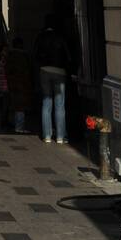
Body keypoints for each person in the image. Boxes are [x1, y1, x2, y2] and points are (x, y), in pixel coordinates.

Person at [33, 14, 72, 144]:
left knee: (46, 103)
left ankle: (47, 135)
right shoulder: (60, 37)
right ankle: (61, 136)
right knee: (60, 105)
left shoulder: (40, 37)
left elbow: (35, 54)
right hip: (60, 71)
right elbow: (68, 56)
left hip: (44, 71)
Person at [5, 35, 34, 134]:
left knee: (16, 105)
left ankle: (17, 125)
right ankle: (19, 126)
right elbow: (28, 71)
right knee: (21, 107)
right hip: (22, 84)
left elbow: (7, 70)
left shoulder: (10, 56)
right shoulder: (24, 57)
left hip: (12, 84)